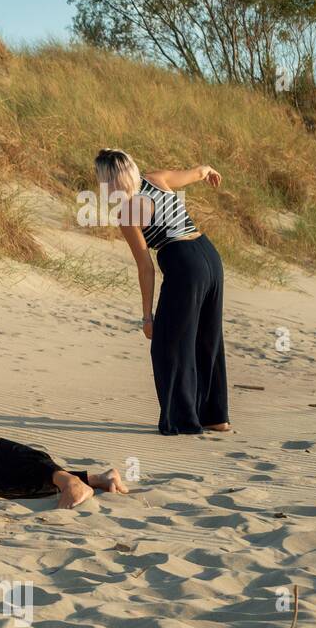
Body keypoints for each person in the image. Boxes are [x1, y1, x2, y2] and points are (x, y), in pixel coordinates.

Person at [94, 148, 230, 435]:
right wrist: (208, 170)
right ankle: (216, 416)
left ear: (109, 182)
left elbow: (146, 267)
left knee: (168, 346)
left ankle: (183, 421)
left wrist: (147, 316)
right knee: (208, 336)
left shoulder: (128, 212)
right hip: (209, 255)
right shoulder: (156, 179)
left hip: (185, 264)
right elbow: (197, 172)